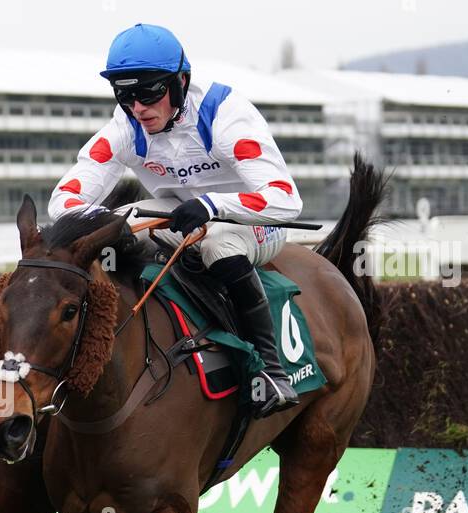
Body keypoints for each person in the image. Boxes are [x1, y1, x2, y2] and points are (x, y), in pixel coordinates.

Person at [49, 23, 304, 417]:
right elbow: (63, 201)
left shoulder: (225, 114)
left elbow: (286, 200)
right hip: (179, 218)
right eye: (124, 94)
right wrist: (113, 222)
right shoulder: (125, 127)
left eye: (149, 92)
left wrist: (213, 205)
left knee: (218, 242)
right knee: (114, 228)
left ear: (181, 81)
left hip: (253, 220)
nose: (137, 107)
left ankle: (269, 371)